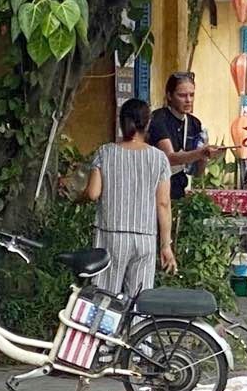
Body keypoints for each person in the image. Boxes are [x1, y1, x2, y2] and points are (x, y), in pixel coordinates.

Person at [84, 99, 176, 297]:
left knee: (104, 297)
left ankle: (101, 329)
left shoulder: (105, 153)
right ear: (148, 123)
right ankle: (137, 329)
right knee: (139, 301)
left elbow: (93, 193)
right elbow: (163, 203)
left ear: (121, 122)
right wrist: (166, 245)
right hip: (145, 239)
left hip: (111, 236)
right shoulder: (159, 159)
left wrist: (77, 197)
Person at [149, 72, 223, 199]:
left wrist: (206, 156)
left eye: (192, 95)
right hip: (157, 187)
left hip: (179, 188)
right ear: (169, 96)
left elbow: (197, 172)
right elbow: (169, 158)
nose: (188, 100)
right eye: (182, 95)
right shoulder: (159, 118)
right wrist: (201, 152)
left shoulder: (195, 123)